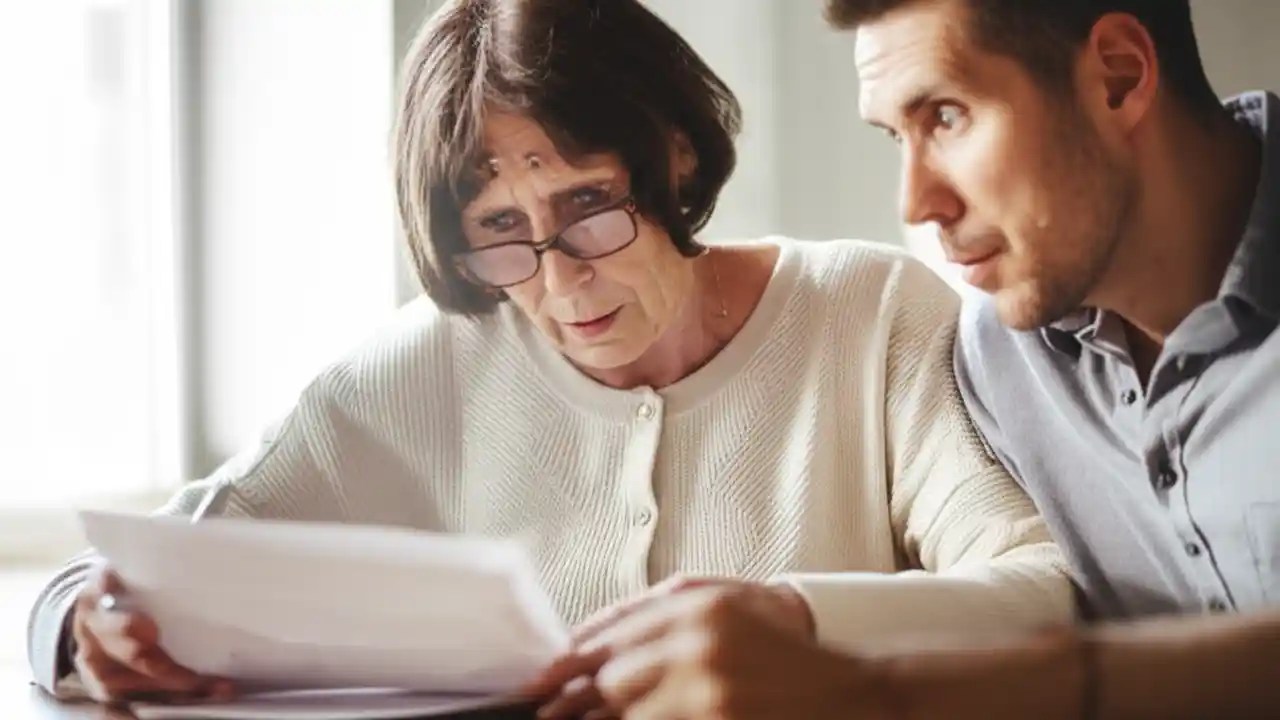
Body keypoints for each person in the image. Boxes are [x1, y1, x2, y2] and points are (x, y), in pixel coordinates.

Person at [25, 0, 1074, 705]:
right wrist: (82, 626)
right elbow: (142, 569)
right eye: (498, 232)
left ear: (670, 154)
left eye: (586, 204)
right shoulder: (423, 370)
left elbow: (1041, 591)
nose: (559, 278)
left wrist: (787, 617)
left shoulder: (866, 311)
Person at [525, 0, 1280, 717]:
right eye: (895, 136)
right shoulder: (1002, 355)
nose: (916, 203)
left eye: (946, 117)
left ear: (1117, 77)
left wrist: (877, 694)